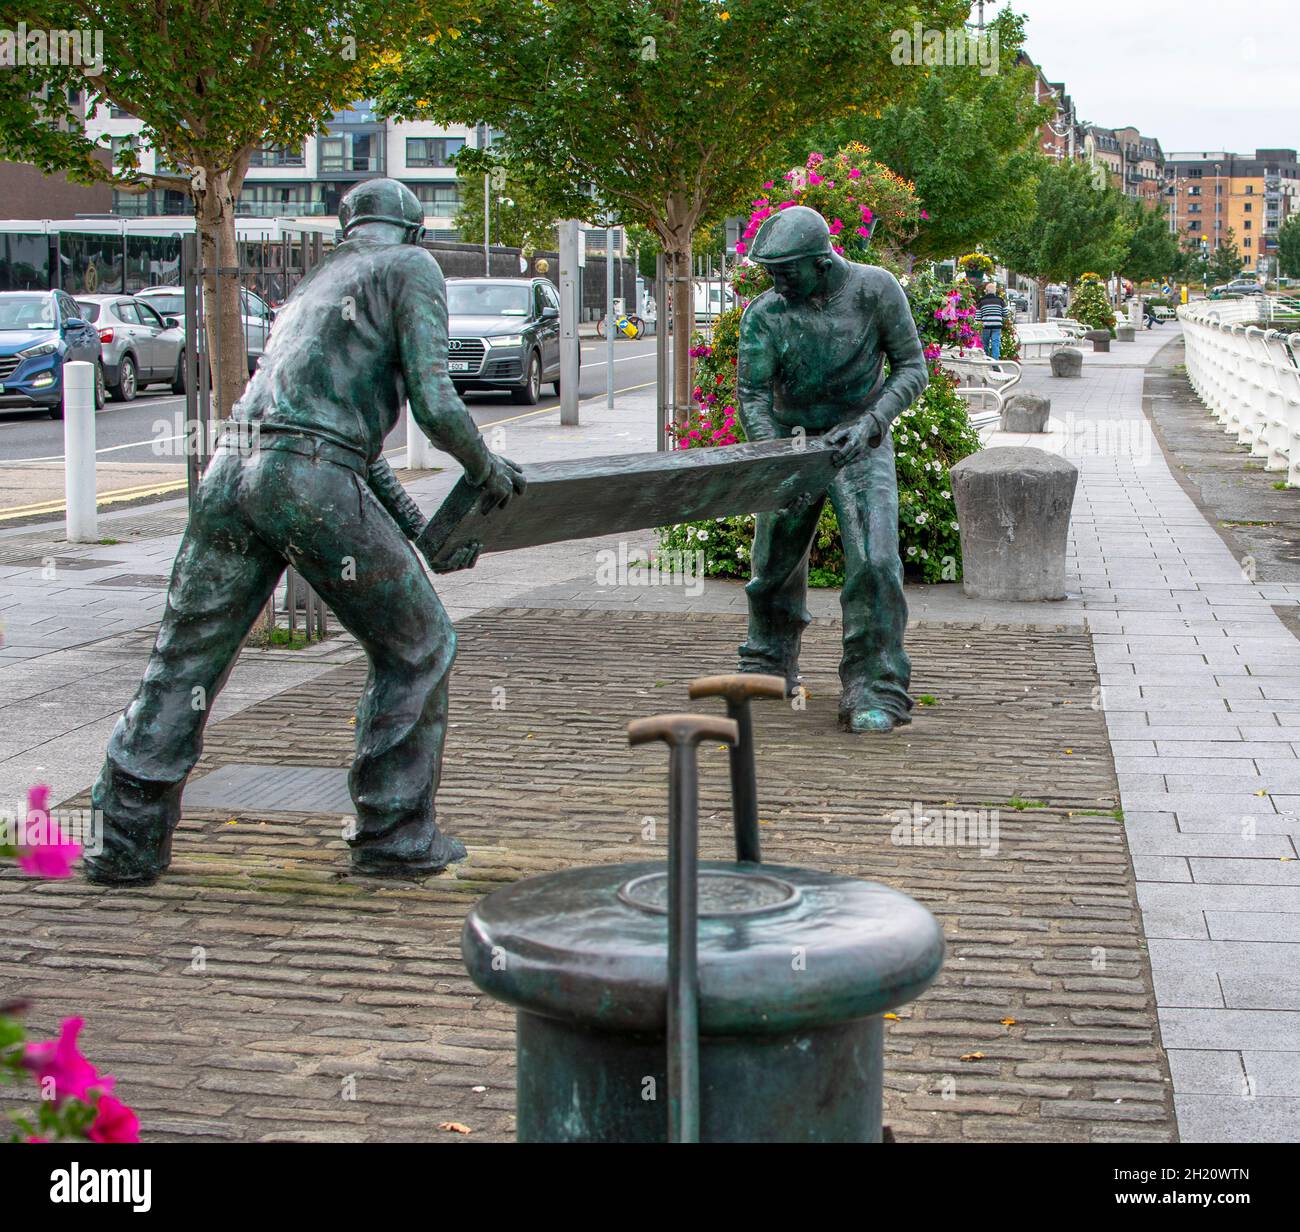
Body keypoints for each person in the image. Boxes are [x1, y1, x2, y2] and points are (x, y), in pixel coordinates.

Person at [86, 179, 525, 885]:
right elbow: (436, 402)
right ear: (413, 230)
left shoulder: (317, 279)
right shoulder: (412, 267)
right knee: (420, 646)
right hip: (305, 476)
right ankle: (394, 833)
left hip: (232, 473)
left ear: (348, 227)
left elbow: (359, 452)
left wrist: (420, 532)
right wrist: (486, 466)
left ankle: (125, 842)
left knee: (184, 660)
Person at [736, 206, 928, 734]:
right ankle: (769, 657)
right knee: (773, 561)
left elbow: (913, 368)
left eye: (785, 271)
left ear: (821, 263)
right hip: (792, 445)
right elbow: (752, 395)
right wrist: (778, 452)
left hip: (860, 440)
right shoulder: (765, 313)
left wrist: (873, 421)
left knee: (876, 559)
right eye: (769, 272)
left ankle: (876, 684)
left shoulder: (875, 291)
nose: (776, 283)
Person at [976, 281, 1007, 359]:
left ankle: (986, 360)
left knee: (985, 344)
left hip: (985, 326)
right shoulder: (1000, 300)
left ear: (986, 291)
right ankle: (995, 363)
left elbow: (978, 317)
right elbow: (1005, 314)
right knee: (995, 344)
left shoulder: (981, 301)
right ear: (995, 291)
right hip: (997, 326)